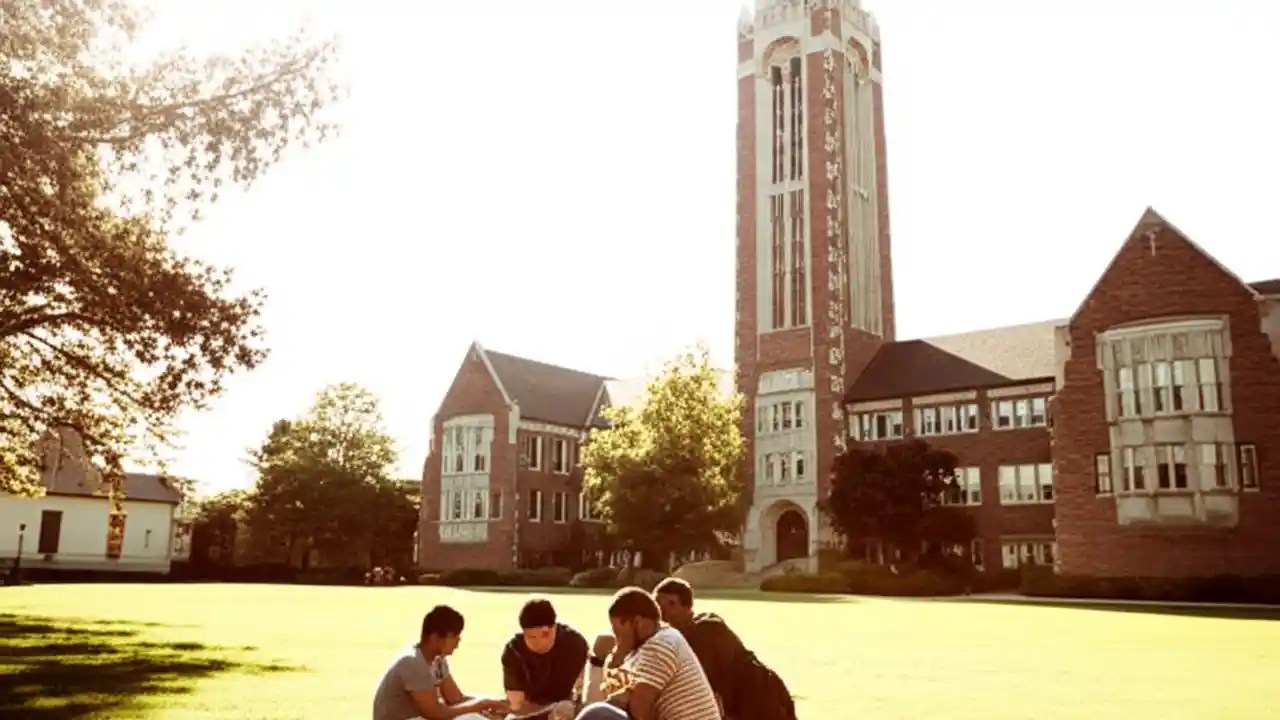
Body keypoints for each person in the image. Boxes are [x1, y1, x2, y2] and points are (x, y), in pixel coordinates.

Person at [653, 578, 795, 720]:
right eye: (658, 603)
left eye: (671, 604)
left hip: (754, 697)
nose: (662, 609)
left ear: (687, 607)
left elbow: (713, 680)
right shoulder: (676, 635)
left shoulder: (705, 630)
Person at [575, 587, 720, 720]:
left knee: (597, 714)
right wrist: (618, 655)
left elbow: (638, 713)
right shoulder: (661, 638)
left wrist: (625, 696)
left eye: (618, 631)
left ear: (637, 622)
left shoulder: (660, 646)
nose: (616, 637)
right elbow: (613, 691)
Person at [372, 604, 509, 720]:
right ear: (435, 637)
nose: (458, 641)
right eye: (453, 636)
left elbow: (455, 699)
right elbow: (434, 714)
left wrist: (494, 704)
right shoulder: (412, 663)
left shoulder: (438, 661)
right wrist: (479, 705)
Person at [501, 598, 589, 717]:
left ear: (551, 630)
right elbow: (517, 704)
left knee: (564, 709)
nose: (534, 642)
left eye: (535, 636)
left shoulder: (575, 645)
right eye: (529, 636)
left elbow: (582, 695)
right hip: (529, 711)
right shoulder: (514, 652)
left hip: (566, 709)